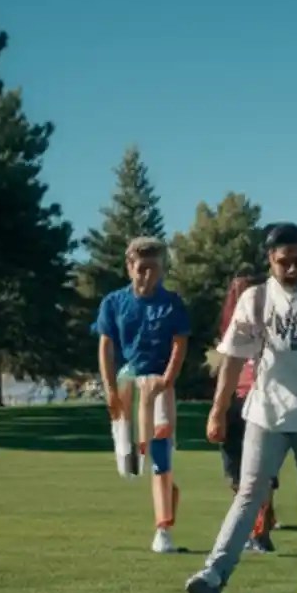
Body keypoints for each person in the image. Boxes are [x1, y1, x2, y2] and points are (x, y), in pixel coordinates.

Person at [185, 223, 297, 593]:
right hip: (266, 413)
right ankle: (214, 572)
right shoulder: (255, 300)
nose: (293, 269)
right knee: (248, 494)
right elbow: (233, 361)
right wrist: (218, 410)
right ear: (270, 260)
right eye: (284, 262)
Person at [95, 236, 190, 554]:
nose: (149, 276)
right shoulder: (113, 303)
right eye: (142, 269)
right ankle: (168, 493)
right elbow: (106, 346)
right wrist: (110, 390)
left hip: (159, 385)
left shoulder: (172, 302)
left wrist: (167, 379)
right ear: (130, 267)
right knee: (132, 466)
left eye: (155, 269)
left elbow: (180, 343)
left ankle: (163, 530)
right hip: (128, 384)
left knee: (160, 455)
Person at [215, 273, 280, 553]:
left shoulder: (274, 324)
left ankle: (260, 532)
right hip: (235, 402)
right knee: (235, 473)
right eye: (239, 291)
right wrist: (218, 407)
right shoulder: (230, 330)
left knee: (261, 473)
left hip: (263, 402)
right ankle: (256, 521)